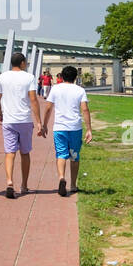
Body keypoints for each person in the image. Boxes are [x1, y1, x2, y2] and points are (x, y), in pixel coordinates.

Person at [0, 52, 43, 198]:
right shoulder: (29, 77)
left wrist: (0, 114)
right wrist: (39, 121)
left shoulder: (3, 77)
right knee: (25, 153)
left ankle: (9, 182)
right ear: (22, 63)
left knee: (10, 153)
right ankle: (24, 185)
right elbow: (33, 100)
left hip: (9, 120)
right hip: (25, 120)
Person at [41, 66, 92, 196]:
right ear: (75, 77)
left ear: (62, 76)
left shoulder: (56, 89)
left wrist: (44, 124)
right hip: (75, 127)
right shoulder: (80, 90)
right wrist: (89, 129)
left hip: (59, 127)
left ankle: (61, 178)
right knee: (74, 155)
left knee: (61, 154)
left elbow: (48, 108)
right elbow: (85, 109)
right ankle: (73, 185)